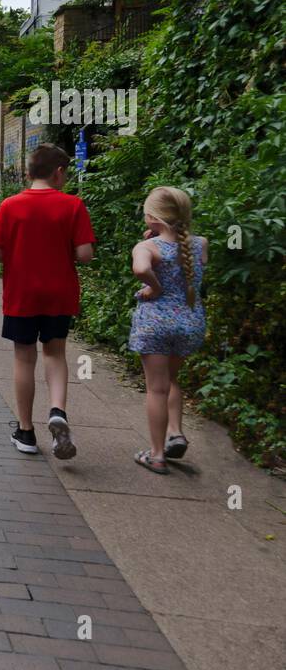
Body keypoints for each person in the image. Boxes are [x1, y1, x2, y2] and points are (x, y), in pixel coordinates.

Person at [0, 144, 95, 459]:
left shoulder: (11, 205)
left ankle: (26, 432)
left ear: (29, 172)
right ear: (59, 173)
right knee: (55, 353)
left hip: (21, 295)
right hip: (60, 294)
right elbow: (85, 255)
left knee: (23, 358)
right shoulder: (73, 205)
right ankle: (57, 410)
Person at [128, 186, 207, 474]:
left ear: (153, 218)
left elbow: (140, 270)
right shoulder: (200, 244)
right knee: (172, 380)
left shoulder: (147, 248)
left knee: (156, 389)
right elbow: (185, 259)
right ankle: (176, 433)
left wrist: (155, 286)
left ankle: (157, 454)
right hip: (189, 322)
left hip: (157, 324)